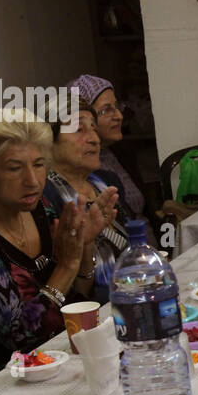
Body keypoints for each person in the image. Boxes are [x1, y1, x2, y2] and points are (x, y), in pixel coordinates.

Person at [0, 110, 112, 381]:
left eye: (39, 164)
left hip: (60, 360)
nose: (32, 180)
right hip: (7, 379)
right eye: (14, 168)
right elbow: (23, 336)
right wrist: (68, 264)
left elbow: (75, 299)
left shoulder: (37, 208)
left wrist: (84, 246)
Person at [42, 100, 128, 304]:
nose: (94, 139)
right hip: (89, 305)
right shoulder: (44, 196)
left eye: (94, 129)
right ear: (48, 142)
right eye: (79, 129)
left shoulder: (107, 182)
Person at [68, 74, 149, 226]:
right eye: (106, 111)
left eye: (117, 107)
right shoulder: (80, 168)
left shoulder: (122, 151)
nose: (118, 116)